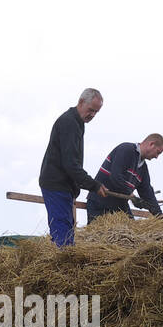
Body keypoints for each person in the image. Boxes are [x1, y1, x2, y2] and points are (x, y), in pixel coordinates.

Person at [38, 88, 104, 247]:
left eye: (96, 112)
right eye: (91, 110)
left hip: (64, 185)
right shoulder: (69, 122)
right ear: (81, 102)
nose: (93, 115)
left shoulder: (77, 123)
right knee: (63, 232)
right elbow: (70, 164)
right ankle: (63, 265)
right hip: (56, 183)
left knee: (67, 228)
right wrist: (94, 185)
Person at [86, 134, 163, 223]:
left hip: (119, 205)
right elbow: (116, 177)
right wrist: (132, 196)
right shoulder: (126, 149)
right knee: (99, 232)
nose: (156, 157)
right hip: (100, 201)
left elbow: (147, 192)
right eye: (158, 152)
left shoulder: (143, 168)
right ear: (151, 144)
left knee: (133, 233)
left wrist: (159, 216)